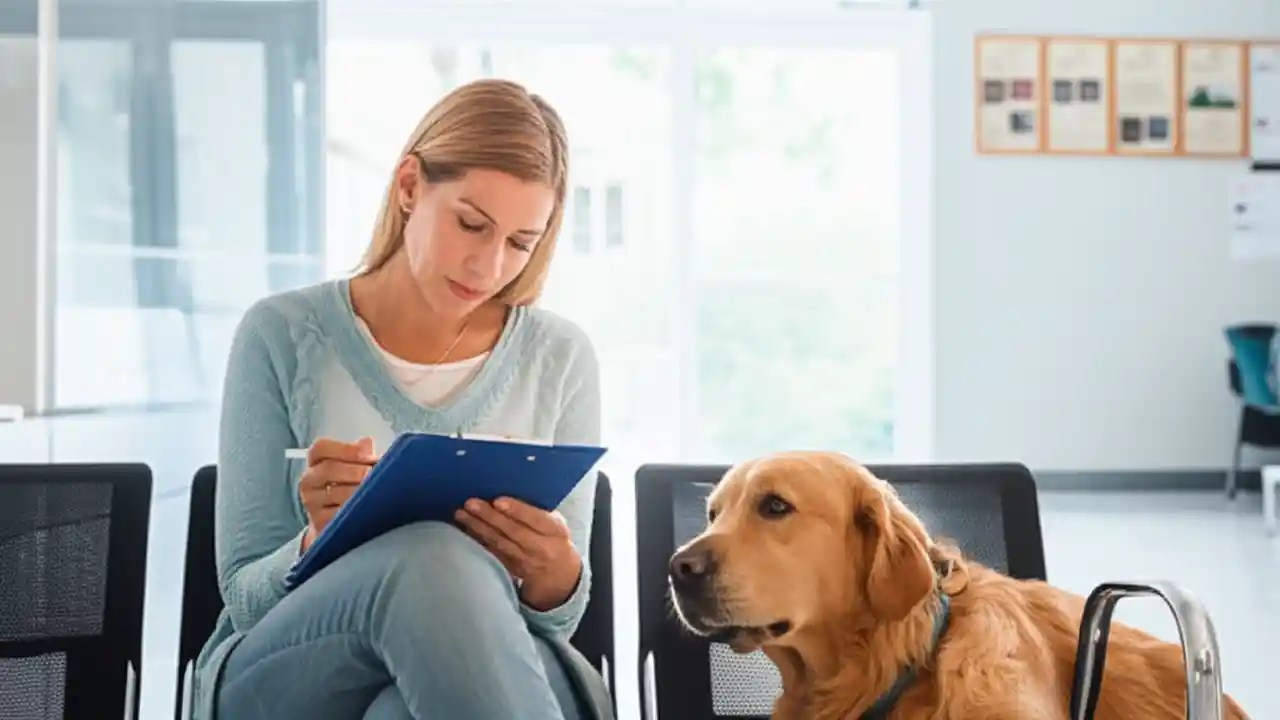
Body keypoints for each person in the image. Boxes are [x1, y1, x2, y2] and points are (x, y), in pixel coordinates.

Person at [191, 78, 609, 720]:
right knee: (431, 558)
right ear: (409, 186)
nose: (489, 266)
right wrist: (313, 541)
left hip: (496, 665)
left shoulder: (561, 357)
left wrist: (555, 575)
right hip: (290, 674)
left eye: (521, 243)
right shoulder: (281, 335)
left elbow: (561, 619)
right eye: (472, 224)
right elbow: (246, 599)